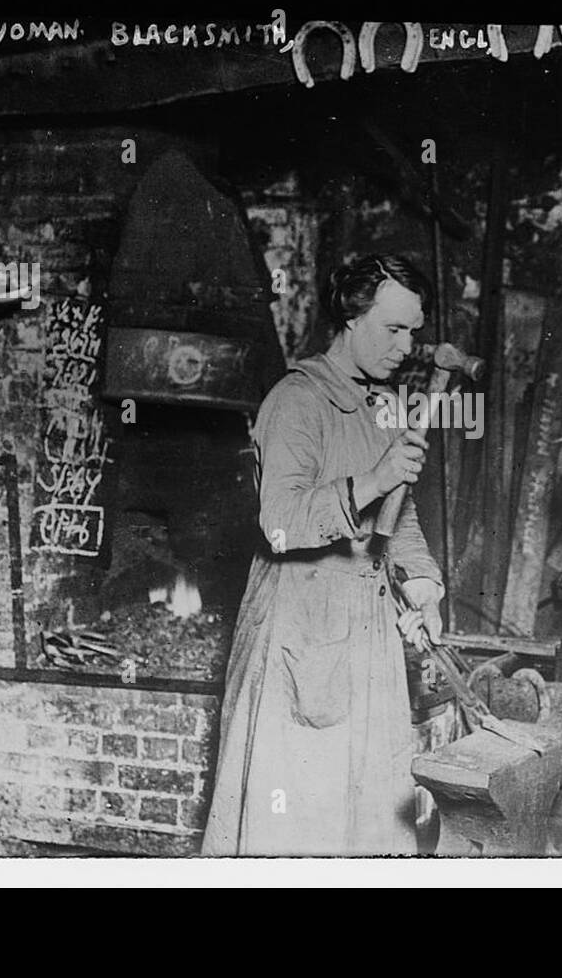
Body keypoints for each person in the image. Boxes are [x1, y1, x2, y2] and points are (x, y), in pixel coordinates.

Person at [200, 254, 446, 856]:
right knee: (293, 815)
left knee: (368, 814)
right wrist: (372, 479)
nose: (406, 345)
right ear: (351, 319)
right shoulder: (296, 399)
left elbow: (402, 517)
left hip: (368, 634)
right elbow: (279, 526)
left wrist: (424, 588)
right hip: (301, 634)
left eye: (414, 331)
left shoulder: (383, 403)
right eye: (393, 329)